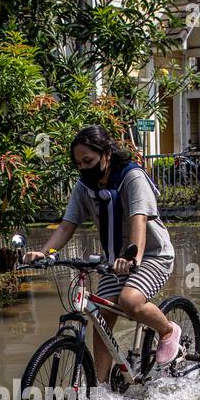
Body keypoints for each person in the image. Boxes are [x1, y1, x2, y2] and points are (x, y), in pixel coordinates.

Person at [24, 125, 180, 385]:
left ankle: (166, 330)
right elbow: (66, 226)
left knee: (130, 301)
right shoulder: (84, 186)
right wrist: (44, 253)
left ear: (106, 153)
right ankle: (102, 385)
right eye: (79, 163)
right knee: (99, 315)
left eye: (89, 160)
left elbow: (138, 220)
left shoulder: (132, 177)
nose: (84, 167)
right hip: (113, 260)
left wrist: (132, 259)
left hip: (151, 255)